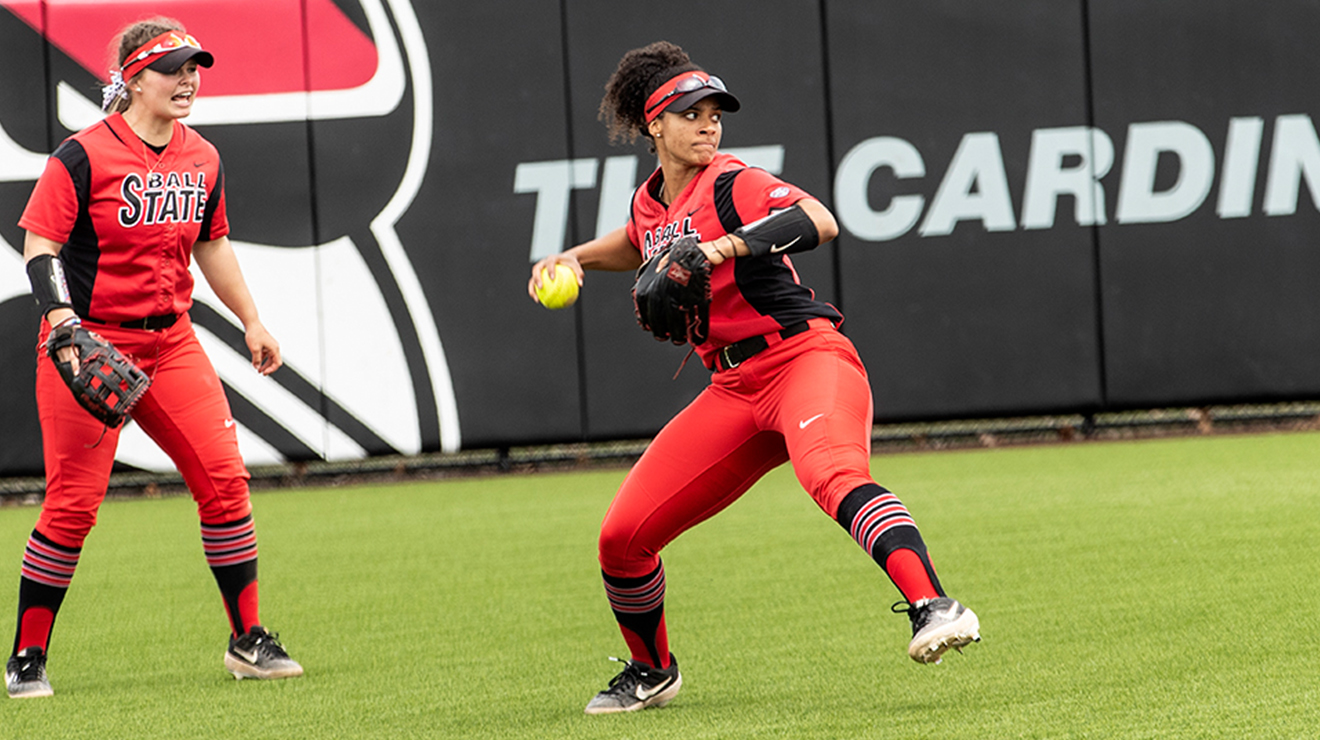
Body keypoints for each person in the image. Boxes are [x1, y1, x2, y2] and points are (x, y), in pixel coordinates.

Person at [528, 41, 980, 715]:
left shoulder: (732, 182)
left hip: (804, 360)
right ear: (655, 125)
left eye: (714, 114)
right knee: (622, 538)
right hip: (733, 390)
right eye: (691, 114)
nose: (708, 126)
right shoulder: (651, 203)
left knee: (832, 476)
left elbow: (819, 220)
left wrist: (715, 249)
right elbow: (639, 241)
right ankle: (652, 670)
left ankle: (934, 605)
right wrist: (575, 258)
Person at [6, 18, 302, 698]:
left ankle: (248, 640)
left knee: (225, 482)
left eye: (194, 67)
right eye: (173, 69)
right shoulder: (83, 155)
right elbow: (39, 246)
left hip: (171, 342)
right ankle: (27, 656)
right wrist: (62, 324)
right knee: (72, 506)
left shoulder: (203, 157)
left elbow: (212, 244)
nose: (188, 79)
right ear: (134, 79)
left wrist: (252, 320)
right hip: (88, 343)